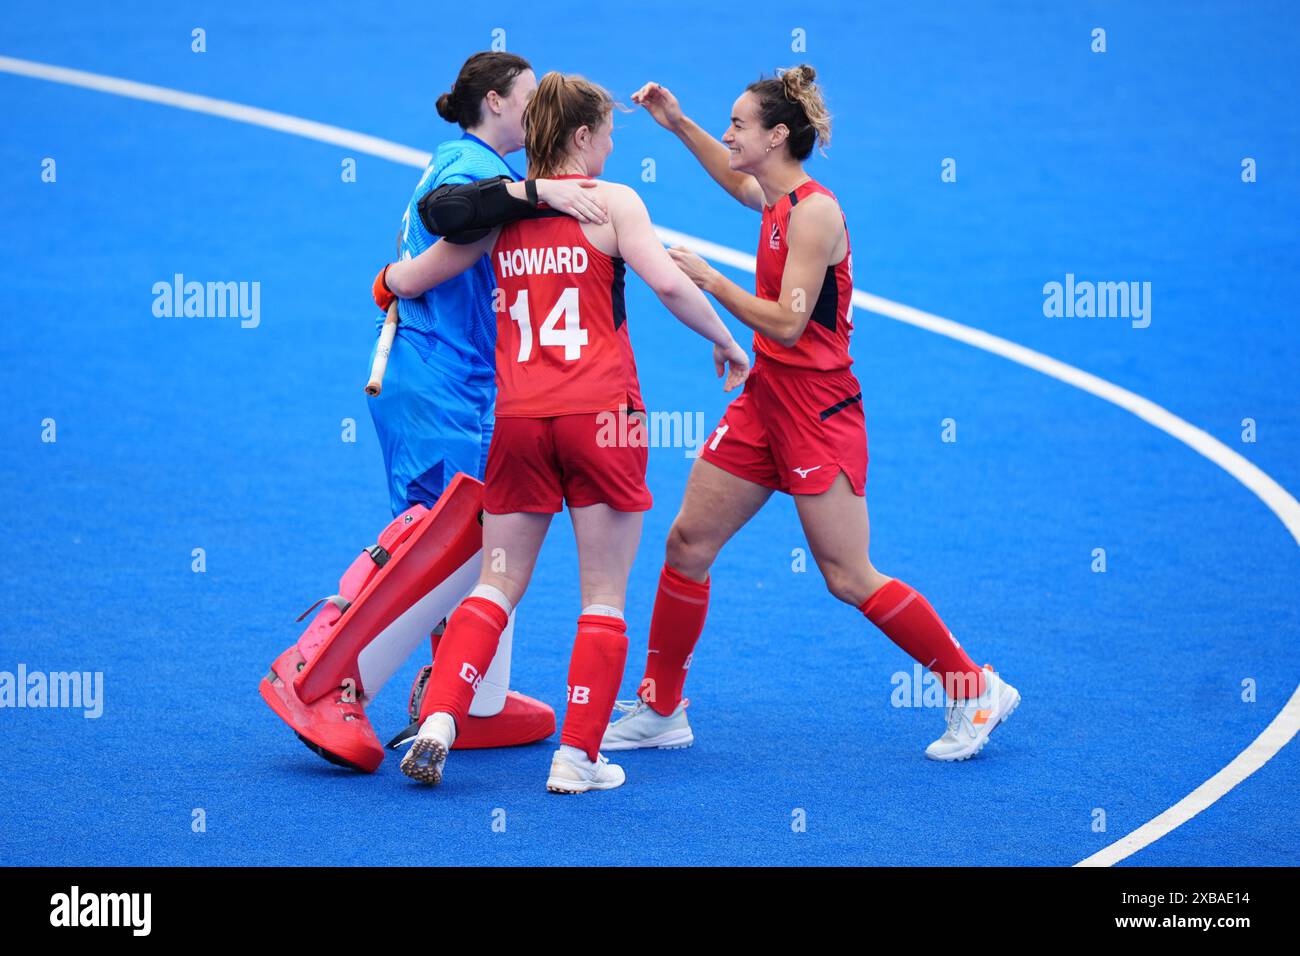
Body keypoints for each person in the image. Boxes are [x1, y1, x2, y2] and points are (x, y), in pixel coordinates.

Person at [599, 66, 1021, 761]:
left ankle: (972, 685)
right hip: (767, 400)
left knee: (847, 575)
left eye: (739, 124)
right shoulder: (772, 195)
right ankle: (663, 706)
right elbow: (734, 181)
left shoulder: (816, 212)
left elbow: (789, 324)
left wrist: (710, 279)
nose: (729, 133)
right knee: (687, 544)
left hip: (819, 413)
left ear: (778, 136)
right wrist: (676, 125)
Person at [372, 70, 750, 792]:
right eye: (607, 131)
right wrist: (728, 340)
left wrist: (387, 281)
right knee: (602, 594)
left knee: (494, 584)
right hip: (601, 419)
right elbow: (669, 283)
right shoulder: (612, 203)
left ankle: (442, 720)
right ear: (581, 135)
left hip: (518, 422)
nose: (612, 143)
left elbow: (421, 272)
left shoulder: (503, 214)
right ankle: (578, 756)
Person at [259, 52, 608, 773]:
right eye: (528, 97)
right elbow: (446, 214)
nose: (537, 109)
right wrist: (534, 190)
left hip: (459, 382)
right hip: (436, 381)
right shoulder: (467, 163)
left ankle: (467, 697)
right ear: (493, 103)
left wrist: (399, 276)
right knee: (435, 543)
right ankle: (319, 676)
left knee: (477, 535)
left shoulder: (479, 163)